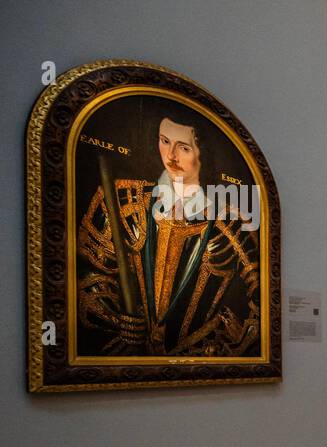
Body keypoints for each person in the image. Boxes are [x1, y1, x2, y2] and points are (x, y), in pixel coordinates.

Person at [77, 106, 260, 357]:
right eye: (164, 141)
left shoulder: (230, 222)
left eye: (183, 147)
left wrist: (223, 346)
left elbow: (263, 299)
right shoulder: (123, 200)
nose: (171, 155)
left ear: (202, 152)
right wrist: (117, 319)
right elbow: (90, 273)